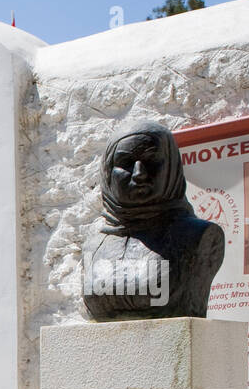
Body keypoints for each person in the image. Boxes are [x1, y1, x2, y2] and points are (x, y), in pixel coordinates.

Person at [81, 121, 224, 321]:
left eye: (151, 160)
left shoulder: (198, 236)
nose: (139, 174)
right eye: (126, 163)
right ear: (107, 171)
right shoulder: (95, 241)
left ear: (172, 167)